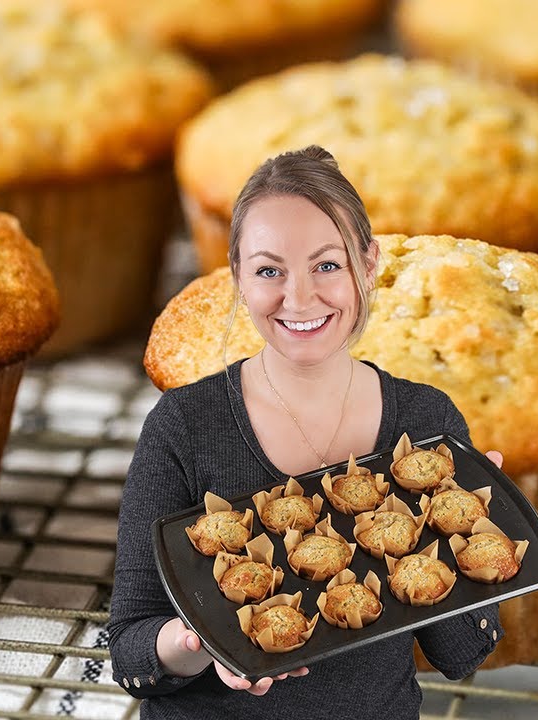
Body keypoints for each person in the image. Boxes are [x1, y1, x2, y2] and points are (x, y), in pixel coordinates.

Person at [108, 145, 502, 719]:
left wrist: (468, 529)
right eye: (270, 270)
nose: (299, 298)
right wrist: (196, 646)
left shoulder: (426, 424)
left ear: (367, 266)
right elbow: (130, 651)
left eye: (327, 265)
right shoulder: (184, 426)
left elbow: (463, 654)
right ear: (239, 277)